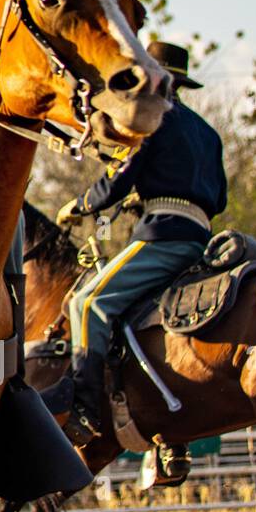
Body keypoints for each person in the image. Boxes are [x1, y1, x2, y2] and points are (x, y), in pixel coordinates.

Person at [52, 41, 227, 457]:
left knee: (86, 302)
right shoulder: (207, 131)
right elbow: (217, 197)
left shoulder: (153, 120)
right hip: (199, 236)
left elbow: (119, 176)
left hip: (162, 235)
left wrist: (81, 206)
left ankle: (85, 408)